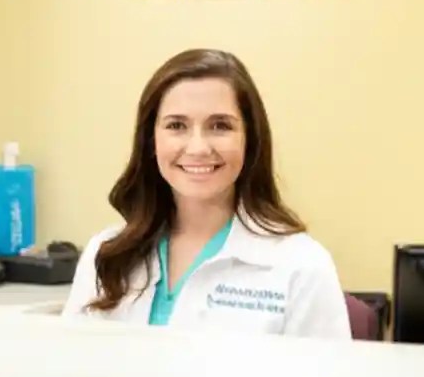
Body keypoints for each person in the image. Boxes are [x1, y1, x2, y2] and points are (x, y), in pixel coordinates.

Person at [61, 48, 352, 340]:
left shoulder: (302, 265)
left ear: (249, 140)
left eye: (220, 126)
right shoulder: (107, 254)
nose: (198, 147)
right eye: (177, 126)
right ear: (151, 140)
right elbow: (66, 374)